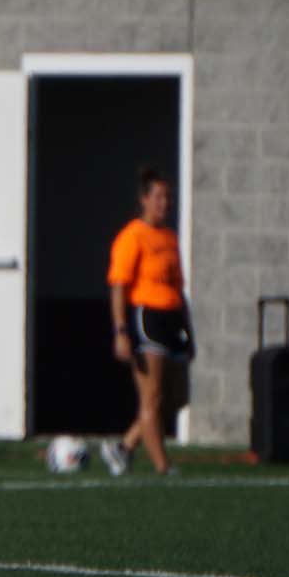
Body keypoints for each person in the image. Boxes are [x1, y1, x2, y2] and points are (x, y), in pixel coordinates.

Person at [102, 167, 192, 476]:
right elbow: (118, 286)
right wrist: (121, 331)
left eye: (168, 197)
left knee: (176, 397)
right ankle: (162, 465)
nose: (164, 203)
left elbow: (178, 287)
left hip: (172, 318)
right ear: (144, 199)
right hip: (147, 319)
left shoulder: (169, 238)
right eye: (158, 197)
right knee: (151, 396)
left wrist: (188, 330)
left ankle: (125, 445)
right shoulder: (133, 236)